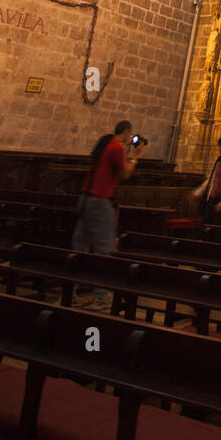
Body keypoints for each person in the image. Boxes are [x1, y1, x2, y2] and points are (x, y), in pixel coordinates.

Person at [72, 120, 146, 310]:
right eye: (130, 135)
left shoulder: (104, 144)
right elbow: (124, 175)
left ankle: (69, 293)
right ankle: (101, 297)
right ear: (127, 132)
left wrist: (126, 150)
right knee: (105, 249)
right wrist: (135, 156)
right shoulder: (116, 148)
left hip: (85, 199)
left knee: (79, 248)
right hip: (100, 201)